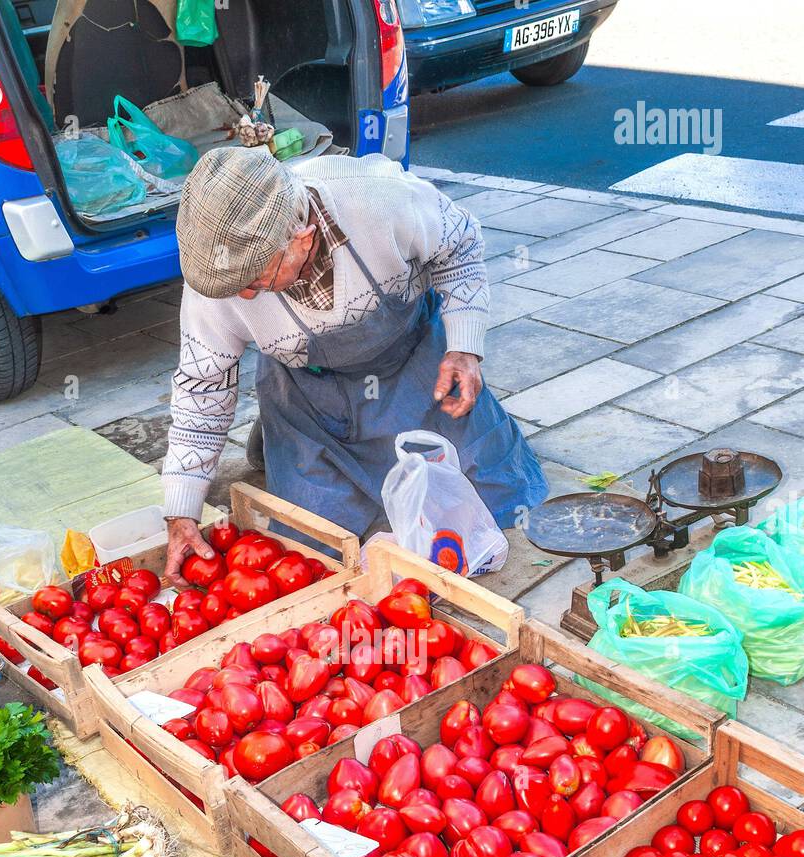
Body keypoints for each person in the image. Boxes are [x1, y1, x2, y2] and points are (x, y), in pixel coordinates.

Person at [162, 144, 547, 585]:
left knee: (483, 493)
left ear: (300, 239)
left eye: (254, 281)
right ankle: (280, 444)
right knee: (313, 540)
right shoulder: (220, 285)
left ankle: (283, 445)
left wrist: (463, 348)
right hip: (309, 395)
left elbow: (460, 249)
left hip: (412, 363)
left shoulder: (379, 198)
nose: (243, 297)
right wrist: (181, 509)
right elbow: (201, 388)